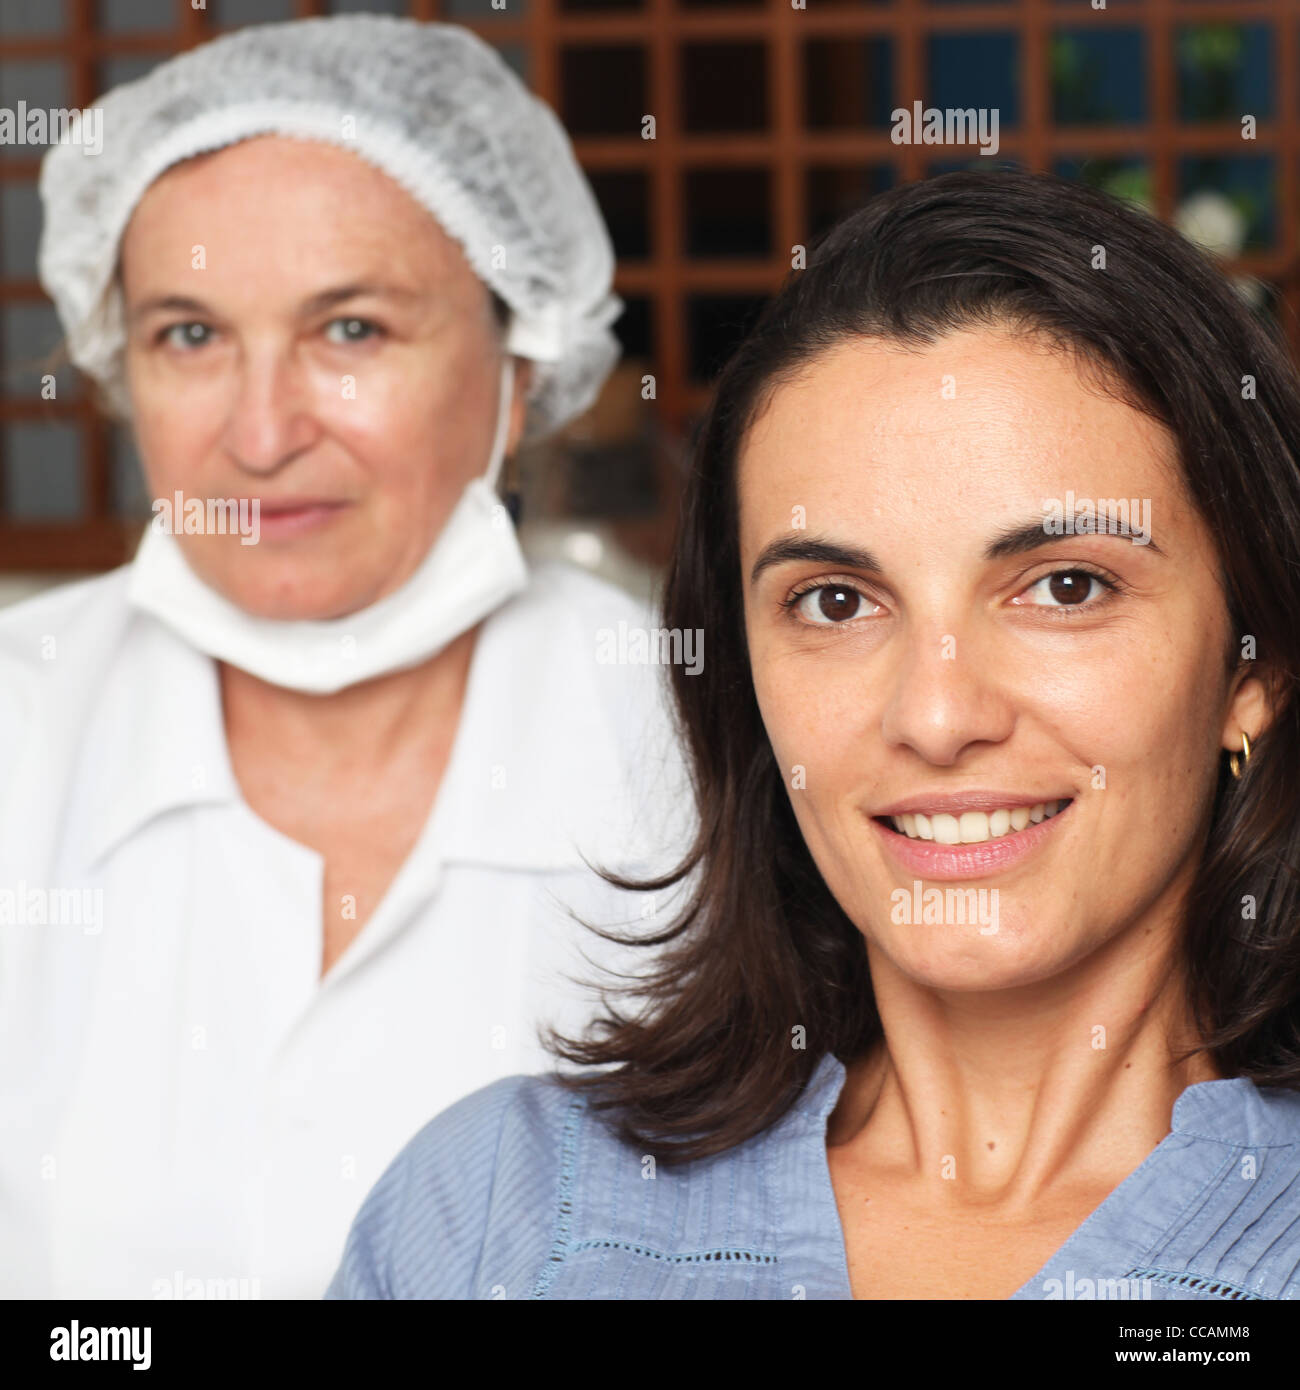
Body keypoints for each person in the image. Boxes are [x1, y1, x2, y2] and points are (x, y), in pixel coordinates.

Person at [327, 168, 1300, 1301]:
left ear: (1254, 667)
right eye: (835, 602)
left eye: (1065, 587)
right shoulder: (500, 1206)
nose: (936, 717)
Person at [0, 16, 688, 1300]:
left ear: (521, 365)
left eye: (352, 330)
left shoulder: (701, 747)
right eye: (190, 336)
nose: (261, 435)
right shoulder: (16, 720)